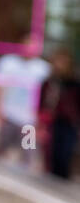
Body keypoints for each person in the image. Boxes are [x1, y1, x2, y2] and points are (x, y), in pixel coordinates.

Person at [0, 35, 52, 171]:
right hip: (8, 115)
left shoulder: (43, 69)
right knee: (1, 150)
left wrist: (42, 123)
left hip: (29, 120)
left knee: (27, 155)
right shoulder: (8, 63)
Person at [38, 46, 79, 180]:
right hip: (52, 122)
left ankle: (62, 179)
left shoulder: (73, 84)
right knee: (51, 154)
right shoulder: (49, 82)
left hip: (69, 123)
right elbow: (42, 102)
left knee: (65, 154)